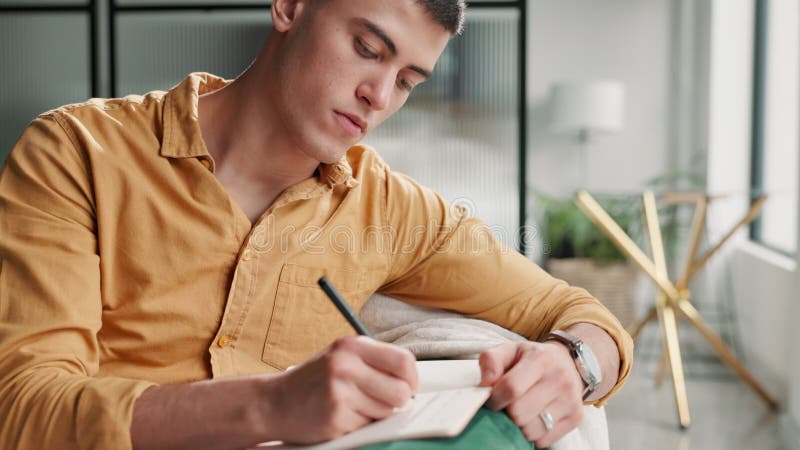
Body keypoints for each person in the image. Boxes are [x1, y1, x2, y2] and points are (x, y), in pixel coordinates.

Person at [0, 0, 633, 449]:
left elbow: (585, 315)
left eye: (407, 81)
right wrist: (271, 404)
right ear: (289, 5)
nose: (379, 96)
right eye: (367, 49)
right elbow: (23, 408)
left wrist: (573, 362)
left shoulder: (390, 210)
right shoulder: (76, 153)